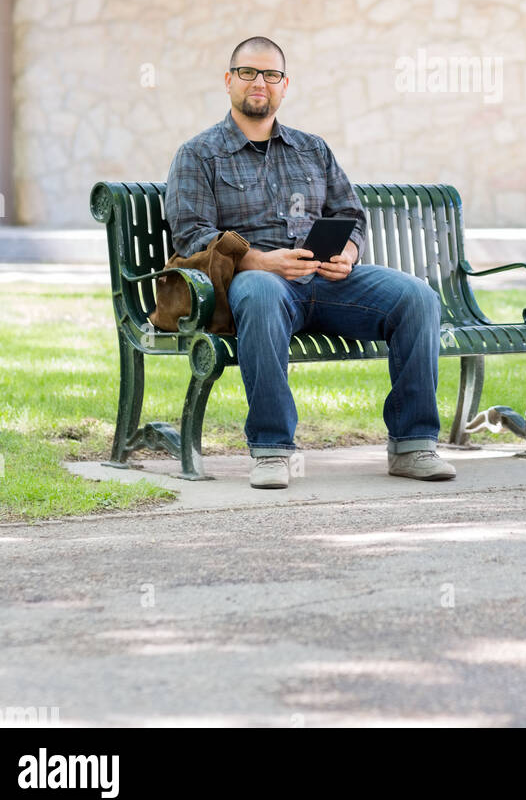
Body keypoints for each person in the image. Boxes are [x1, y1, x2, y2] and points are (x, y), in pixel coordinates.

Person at [164, 35, 456, 489]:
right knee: (259, 294)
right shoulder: (198, 155)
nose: (259, 82)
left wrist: (349, 253)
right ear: (228, 81)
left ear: (285, 86)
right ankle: (271, 449)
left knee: (417, 296)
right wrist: (260, 261)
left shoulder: (312, 149)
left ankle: (413, 444)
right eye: (247, 73)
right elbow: (191, 233)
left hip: (328, 281)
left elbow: (350, 215)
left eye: (271, 75)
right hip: (262, 285)